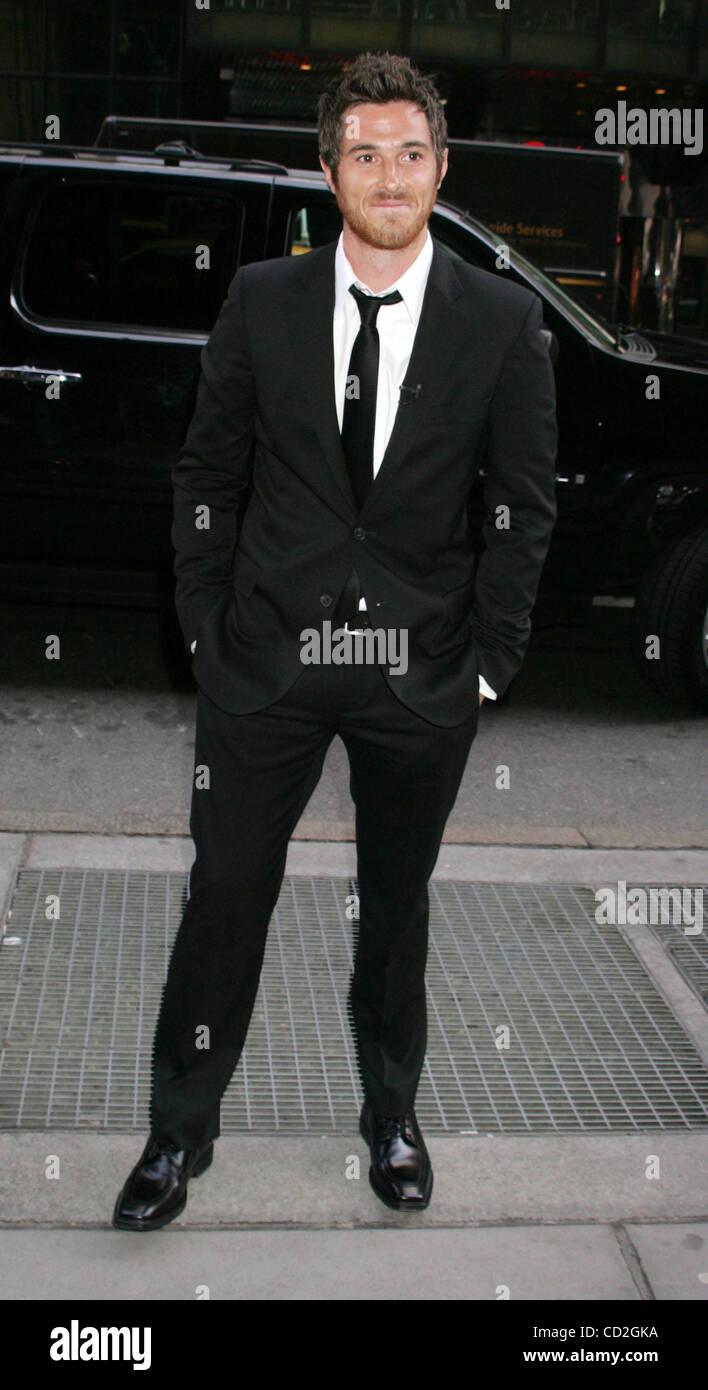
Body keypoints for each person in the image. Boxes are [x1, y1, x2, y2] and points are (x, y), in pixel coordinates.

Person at [113, 50, 558, 1231]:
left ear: (442, 168)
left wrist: (490, 660)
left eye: (411, 152)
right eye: (365, 152)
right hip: (266, 662)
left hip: (422, 673)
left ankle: (392, 1118)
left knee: (394, 907)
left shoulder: (505, 321)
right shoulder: (264, 299)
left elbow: (522, 504)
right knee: (225, 896)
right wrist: (205, 623)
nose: (390, 173)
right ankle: (177, 1132)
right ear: (329, 172)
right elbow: (208, 473)